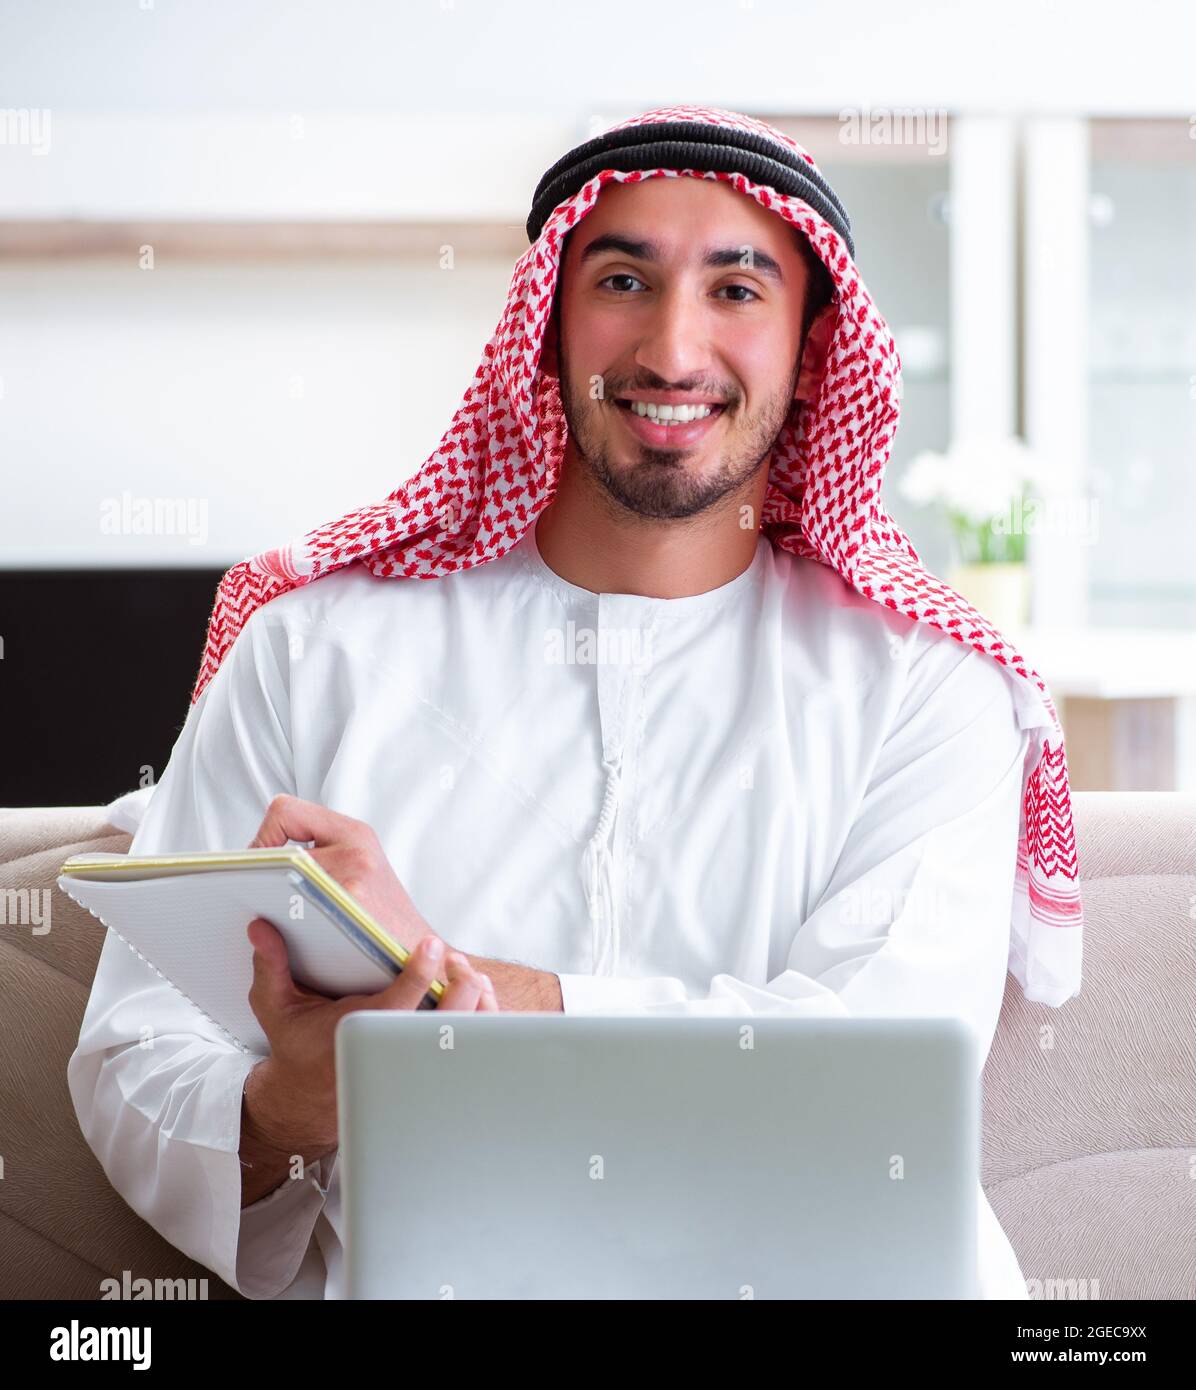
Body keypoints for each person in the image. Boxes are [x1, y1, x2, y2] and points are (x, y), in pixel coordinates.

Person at [68, 105, 1083, 1301]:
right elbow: (136, 1054)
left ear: (814, 348)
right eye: (622, 278)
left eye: (737, 288)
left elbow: (866, 1075)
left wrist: (458, 1007)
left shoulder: (926, 684)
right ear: (545, 321)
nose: (671, 348)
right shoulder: (311, 653)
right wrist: (292, 1101)